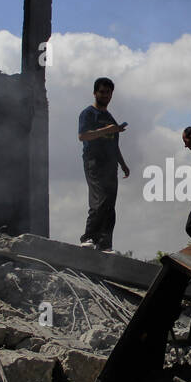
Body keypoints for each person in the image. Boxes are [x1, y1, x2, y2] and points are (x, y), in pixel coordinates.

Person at [77, 77, 129, 252]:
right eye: (102, 92)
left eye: (108, 92)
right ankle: (88, 237)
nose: (105, 95)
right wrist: (107, 130)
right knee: (99, 200)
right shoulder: (88, 113)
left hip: (111, 164)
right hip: (94, 161)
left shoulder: (110, 117)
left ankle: (105, 244)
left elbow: (114, 144)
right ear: (95, 93)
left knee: (110, 205)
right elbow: (83, 136)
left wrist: (123, 164)